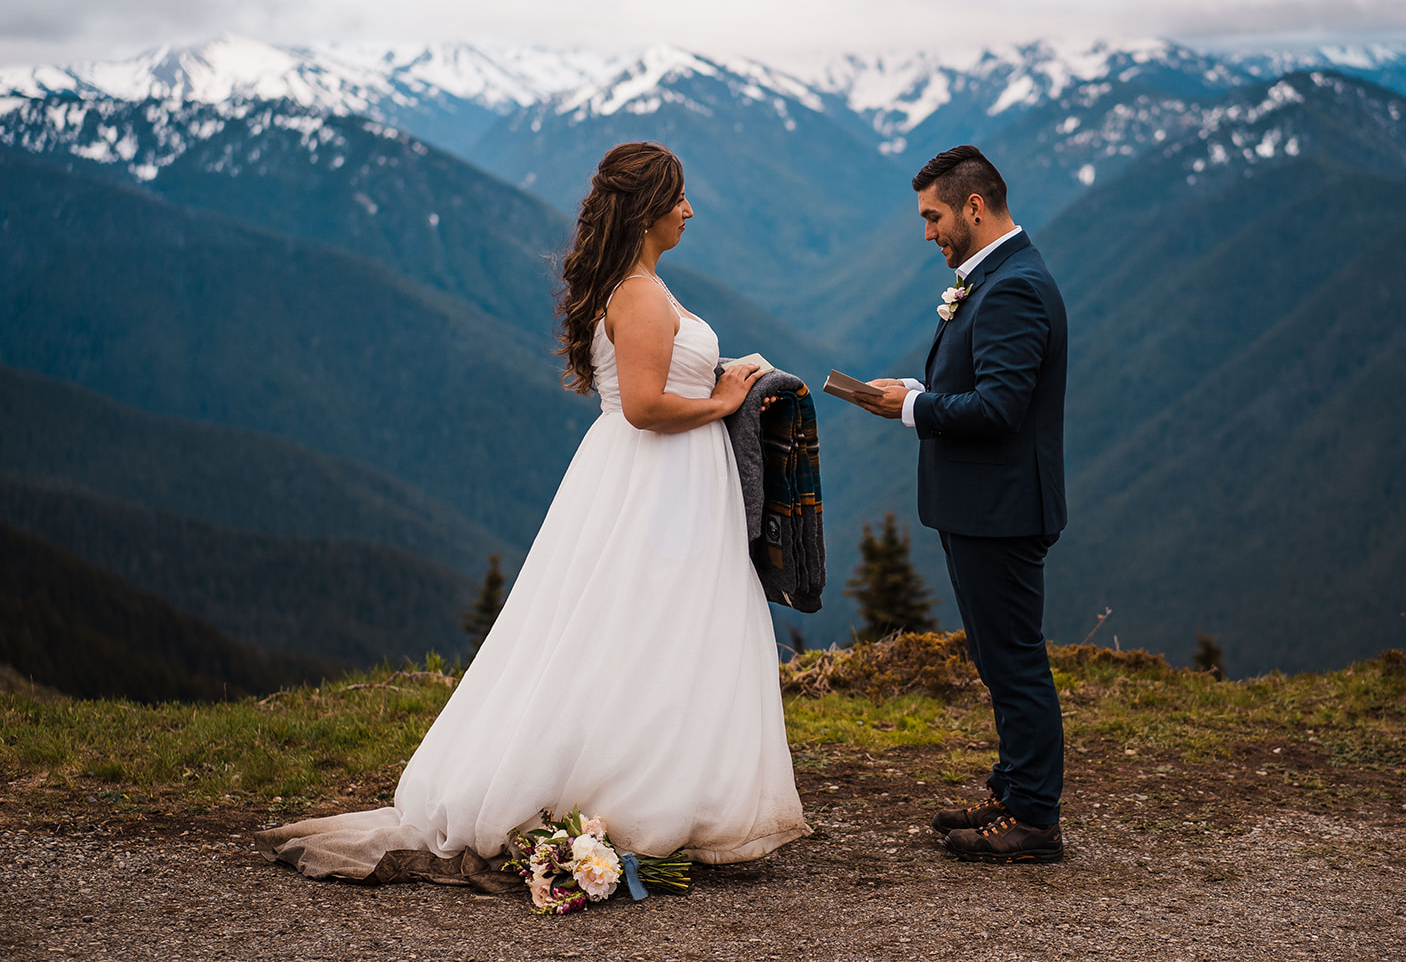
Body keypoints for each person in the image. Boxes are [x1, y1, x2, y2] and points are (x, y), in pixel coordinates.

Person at [257, 142, 810, 883]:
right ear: (648, 209)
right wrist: (723, 397)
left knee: (647, 631)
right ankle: (631, 795)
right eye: (678, 198)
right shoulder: (641, 293)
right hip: (658, 481)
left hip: (659, 478)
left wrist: (718, 379)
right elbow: (646, 406)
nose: (688, 210)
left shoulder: (638, 284)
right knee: (647, 626)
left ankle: (651, 787)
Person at [858, 145, 1069, 863]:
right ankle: (1013, 789)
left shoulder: (1012, 286)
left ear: (974, 206)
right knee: (996, 654)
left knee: (1013, 660)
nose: (927, 233)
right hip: (982, 506)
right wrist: (918, 396)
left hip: (1001, 509)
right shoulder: (997, 277)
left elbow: (1001, 407)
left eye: (933, 215)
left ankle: (1035, 817)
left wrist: (913, 405)